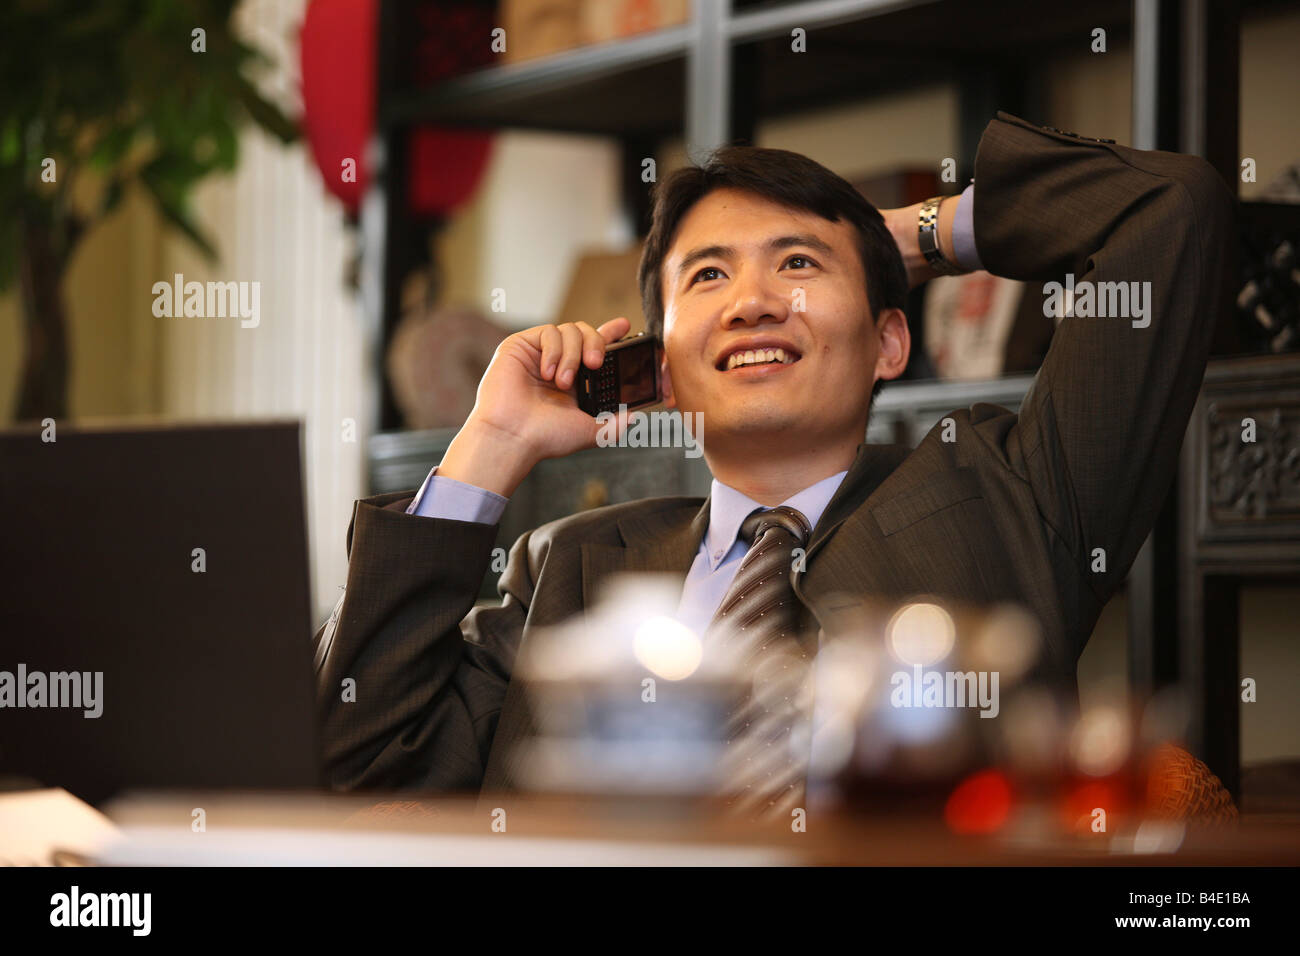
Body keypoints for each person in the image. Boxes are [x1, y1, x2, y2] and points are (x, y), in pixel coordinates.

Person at [312, 112, 1235, 808]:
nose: (752, 302)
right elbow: (352, 771)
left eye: (797, 264)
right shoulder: (567, 567)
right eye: (708, 275)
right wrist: (491, 446)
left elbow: (1168, 207)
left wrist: (905, 236)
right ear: (660, 366)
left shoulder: (1016, 495)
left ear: (889, 343)